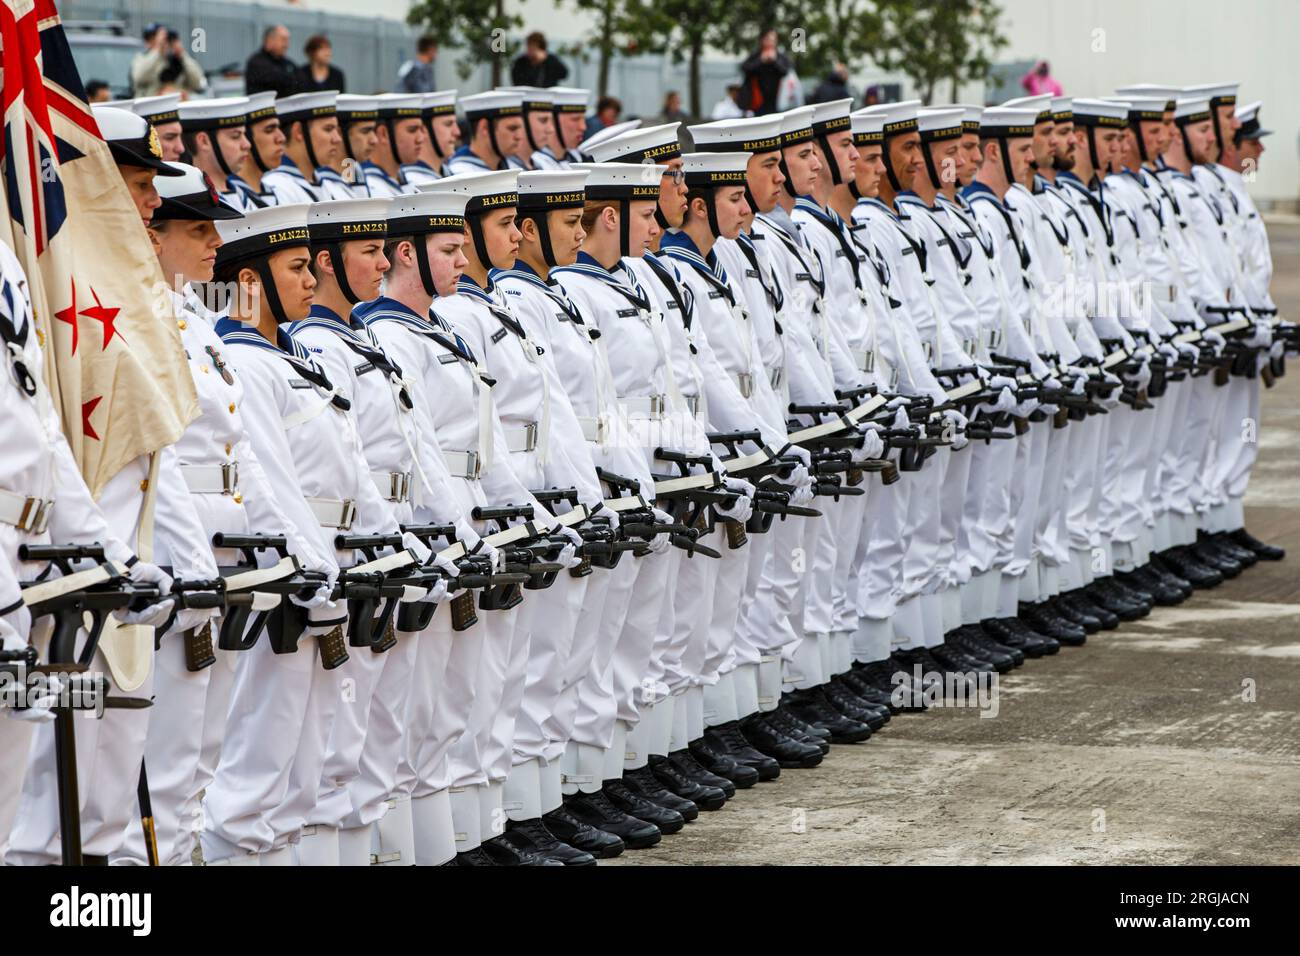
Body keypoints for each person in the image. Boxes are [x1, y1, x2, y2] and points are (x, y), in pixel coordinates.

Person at [261, 91, 344, 204]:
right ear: (299, 131)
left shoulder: (330, 186)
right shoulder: (278, 188)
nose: (337, 139)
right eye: (328, 129)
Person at [177, 97, 253, 211]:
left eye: (244, 135)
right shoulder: (194, 203)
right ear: (204, 141)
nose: (247, 144)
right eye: (235, 136)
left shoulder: (244, 195)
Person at [445, 90, 525, 175]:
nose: (519, 136)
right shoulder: (461, 176)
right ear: (484, 127)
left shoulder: (512, 167)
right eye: (512, 128)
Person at [232, 92, 284, 208]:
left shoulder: (278, 193)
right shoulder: (232, 199)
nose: (281, 138)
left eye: (278, 128)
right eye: (269, 130)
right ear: (247, 137)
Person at [131, 23, 206, 98]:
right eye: (152, 39)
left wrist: (181, 54)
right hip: (151, 106)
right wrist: (158, 51)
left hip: (178, 105)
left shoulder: (179, 60)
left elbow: (197, 82)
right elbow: (139, 77)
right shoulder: (142, 58)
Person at [739, 29, 792, 116]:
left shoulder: (780, 56)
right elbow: (745, 69)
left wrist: (774, 61)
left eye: (773, 40)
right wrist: (761, 60)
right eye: (768, 39)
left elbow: (785, 71)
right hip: (757, 102)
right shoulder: (756, 55)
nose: (770, 42)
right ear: (762, 40)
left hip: (777, 102)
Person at [244, 25, 298, 99]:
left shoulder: (288, 63)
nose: (287, 45)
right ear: (269, 40)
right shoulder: (257, 63)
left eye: (288, 40)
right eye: (283, 40)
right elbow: (279, 81)